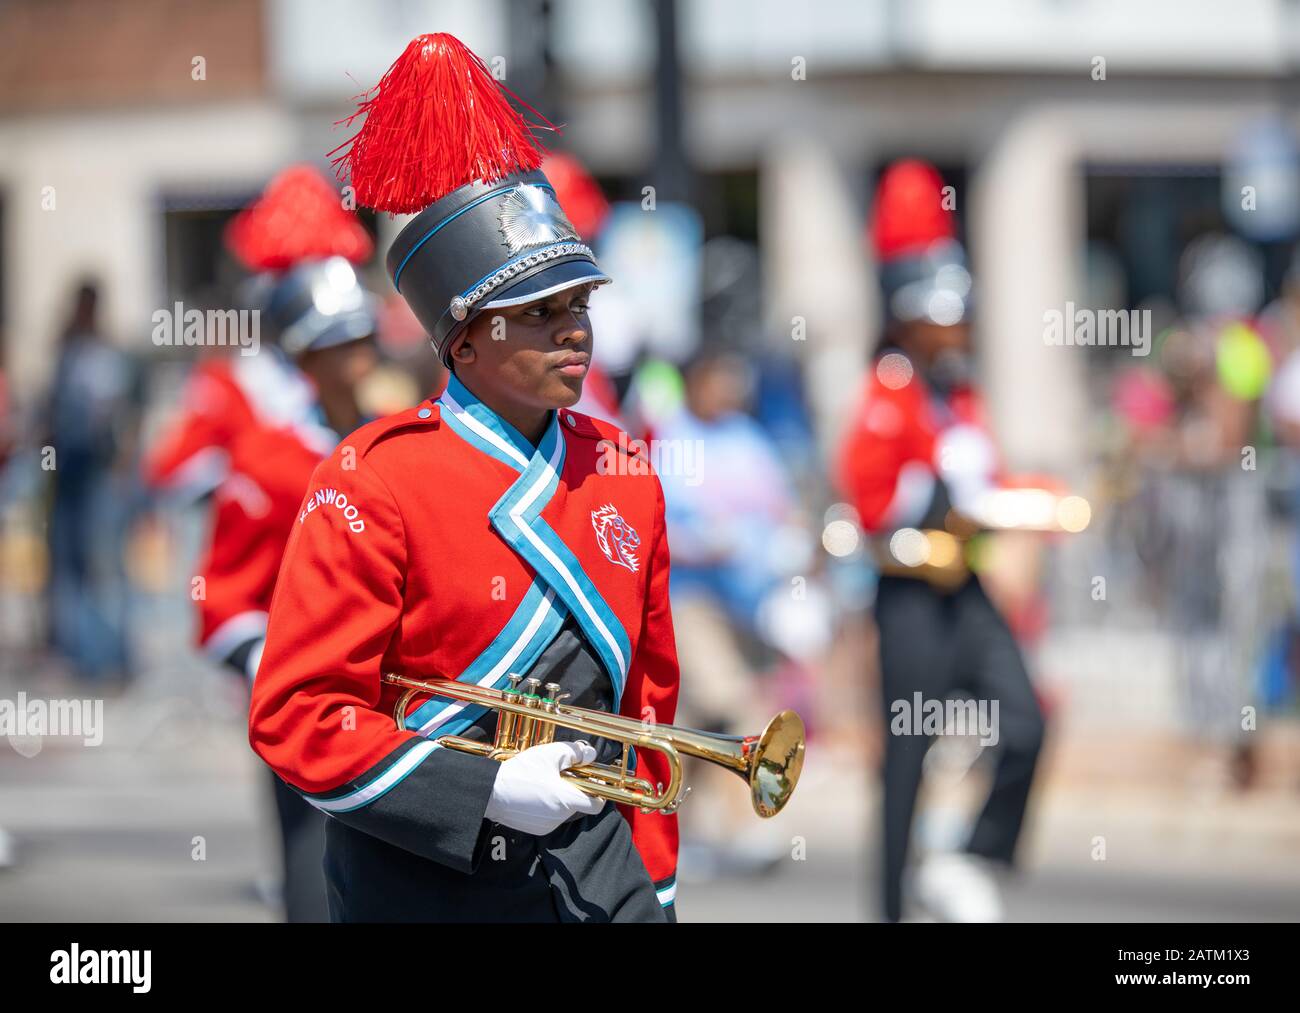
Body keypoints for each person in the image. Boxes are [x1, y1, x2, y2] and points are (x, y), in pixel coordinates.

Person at [248, 33, 680, 922]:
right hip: (423, 876)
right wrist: (477, 789)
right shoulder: (373, 478)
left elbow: (649, 705)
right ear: (467, 333)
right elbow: (300, 712)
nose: (575, 331)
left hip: (601, 872)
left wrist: (659, 884)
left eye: (580, 305)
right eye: (540, 312)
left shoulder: (625, 468)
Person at [143, 165, 379, 922]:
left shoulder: (387, 444)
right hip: (304, 688)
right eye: (343, 342)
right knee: (312, 862)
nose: (365, 356)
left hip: (390, 697)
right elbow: (219, 595)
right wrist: (272, 664)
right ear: (303, 353)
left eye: (366, 337)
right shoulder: (264, 445)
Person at [838, 160, 1046, 922]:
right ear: (908, 317)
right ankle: (889, 909)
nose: (959, 329)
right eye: (945, 316)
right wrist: (929, 479)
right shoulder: (885, 396)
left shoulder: (959, 395)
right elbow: (869, 505)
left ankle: (970, 850)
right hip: (910, 600)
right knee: (905, 762)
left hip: (968, 590)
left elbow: (987, 478)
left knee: (1026, 720)